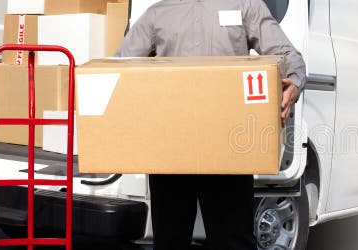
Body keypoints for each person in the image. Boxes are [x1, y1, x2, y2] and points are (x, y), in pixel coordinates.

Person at [115, 0, 306, 249]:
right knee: (170, 241)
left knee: (233, 241)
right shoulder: (157, 14)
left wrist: (294, 83)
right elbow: (119, 67)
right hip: (172, 151)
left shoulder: (245, 5)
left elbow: (288, 54)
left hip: (228, 150)